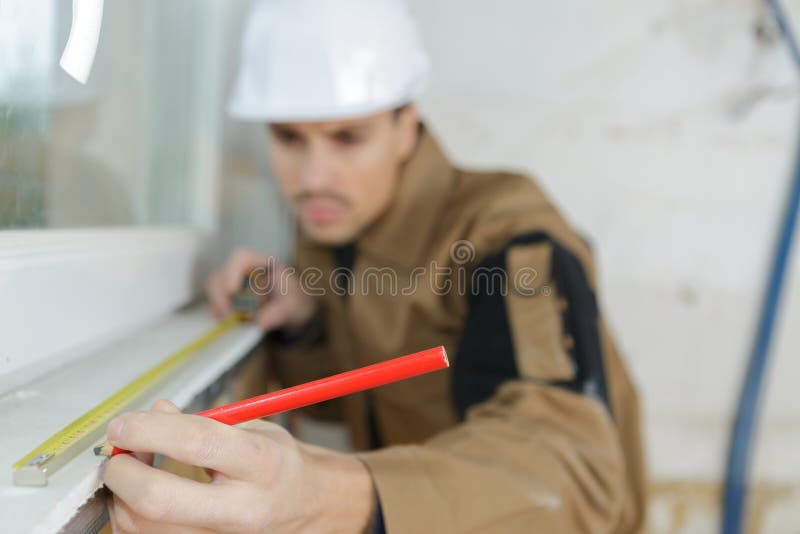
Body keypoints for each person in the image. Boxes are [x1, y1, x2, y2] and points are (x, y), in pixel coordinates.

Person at [102, 0, 646, 532]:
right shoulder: (334, 228)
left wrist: (325, 499)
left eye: (347, 137)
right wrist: (305, 326)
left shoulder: (510, 238)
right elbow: (367, 397)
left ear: (406, 125)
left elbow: (573, 478)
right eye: (288, 137)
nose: (313, 178)